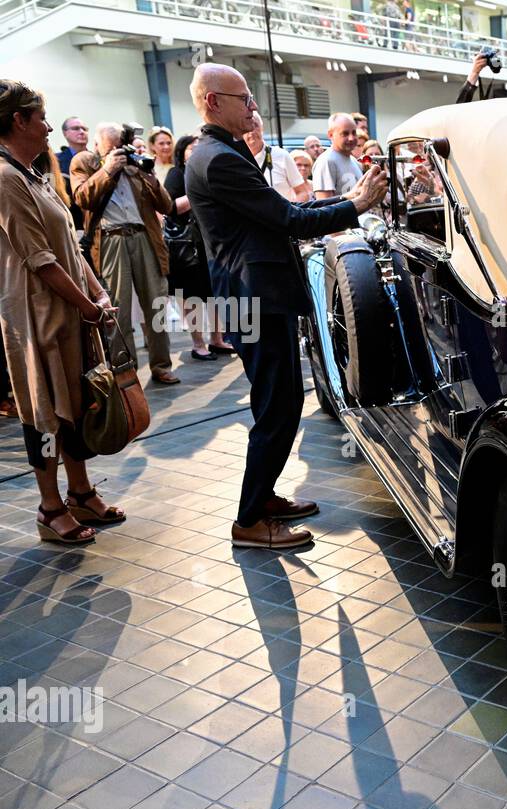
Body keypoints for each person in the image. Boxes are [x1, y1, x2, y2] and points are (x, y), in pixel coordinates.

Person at [185, 63, 388, 549]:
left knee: (276, 403)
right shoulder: (218, 158)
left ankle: (265, 496)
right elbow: (287, 218)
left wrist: (348, 202)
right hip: (252, 299)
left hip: (254, 297)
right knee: (279, 408)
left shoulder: (221, 152)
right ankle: (249, 519)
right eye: (244, 98)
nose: (253, 107)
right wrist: (354, 206)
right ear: (213, 102)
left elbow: (282, 214)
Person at [0, 80, 126, 545]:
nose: (49, 127)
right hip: (36, 318)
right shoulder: (5, 177)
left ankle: (80, 490)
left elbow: (70, 250)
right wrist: (87, 306)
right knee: (45, 414)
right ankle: (50, 508)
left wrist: (98, 295)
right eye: (42, 118)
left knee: (74, 404)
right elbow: (40, 260)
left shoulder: (32, 173)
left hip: (68, 310)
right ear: (19, 121)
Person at [71, 122, 179, 385]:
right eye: (110, 149)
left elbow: (166, 205)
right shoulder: (85, 162)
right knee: (117, 309)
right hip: (110, 240)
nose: (116, 153)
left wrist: (149, 177)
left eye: (118, 148)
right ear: (99, 147)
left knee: (156, 305)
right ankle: (124, 368)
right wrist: (108, 169)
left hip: (144, 238)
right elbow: (82, 198)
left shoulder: (134, 162)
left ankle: (162, 365)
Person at [164, 132, 233, 361]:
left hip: (210, 240)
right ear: (181, 153)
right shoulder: (176, 174)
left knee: (213, 293)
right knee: (191, 296)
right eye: (191, 147)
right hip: (188, 244)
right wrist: (199, 193)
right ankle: (198, 343)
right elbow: (170, 207)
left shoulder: (207, 170)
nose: (196, 150)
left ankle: (217, 339)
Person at [244, 111, 310, 202]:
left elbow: (302, 193)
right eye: (247, 127)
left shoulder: (282, 156)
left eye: (255, 125)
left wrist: (288, 212)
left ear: (262, 128)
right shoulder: (237, 160)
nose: (251, 131)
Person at [312, 112, 363, 200]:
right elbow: (324, 205)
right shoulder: (326, 162)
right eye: (345, 133)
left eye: (354, 133)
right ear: (330, 135)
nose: (351, 138)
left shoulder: (355, 162)